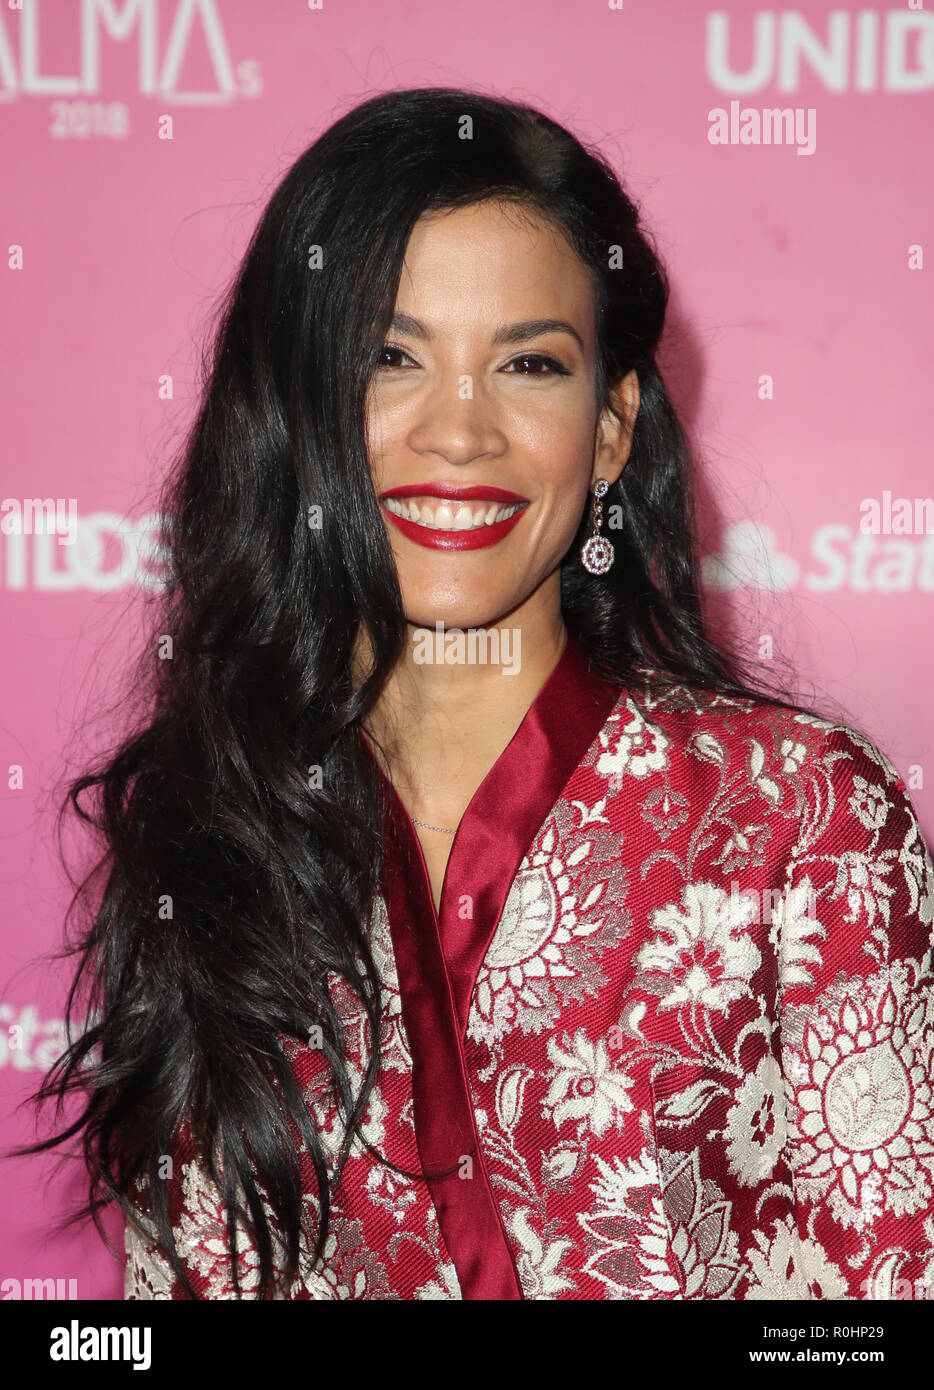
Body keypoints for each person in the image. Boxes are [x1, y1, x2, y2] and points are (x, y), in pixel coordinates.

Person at [14, 87, 934, 1300]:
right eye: (391, 357)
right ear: (296, 412)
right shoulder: (218, 830)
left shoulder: (794, 819)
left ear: (609, 432)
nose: (461, 432)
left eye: (530, 364)